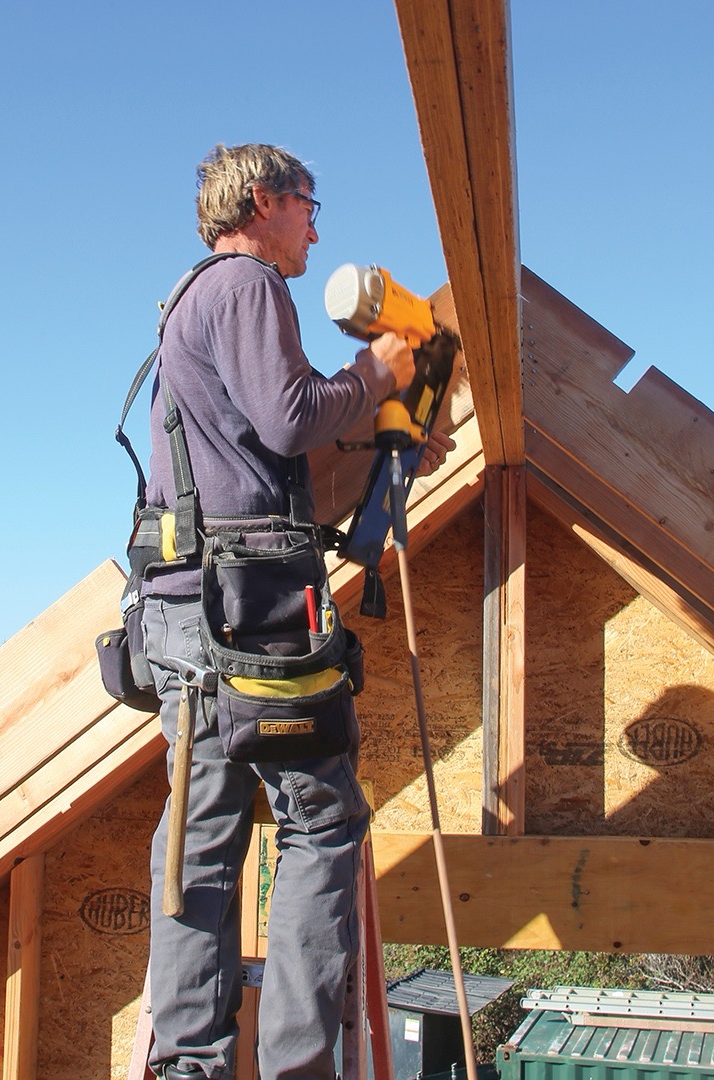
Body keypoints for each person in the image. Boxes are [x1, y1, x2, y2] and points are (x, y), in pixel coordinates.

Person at [139, 143, 452, 1080]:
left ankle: (189, 1063)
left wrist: (377, 434)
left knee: (201, 838)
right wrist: (382, 374)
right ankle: (298, 1065)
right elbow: (285, 419)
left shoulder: (193, 300)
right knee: (324, 826)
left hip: (192, 612)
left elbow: (267, 451)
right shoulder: (247, 283)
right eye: (310, 205)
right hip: (249, 620)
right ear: (264, 201)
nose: (318, 225)